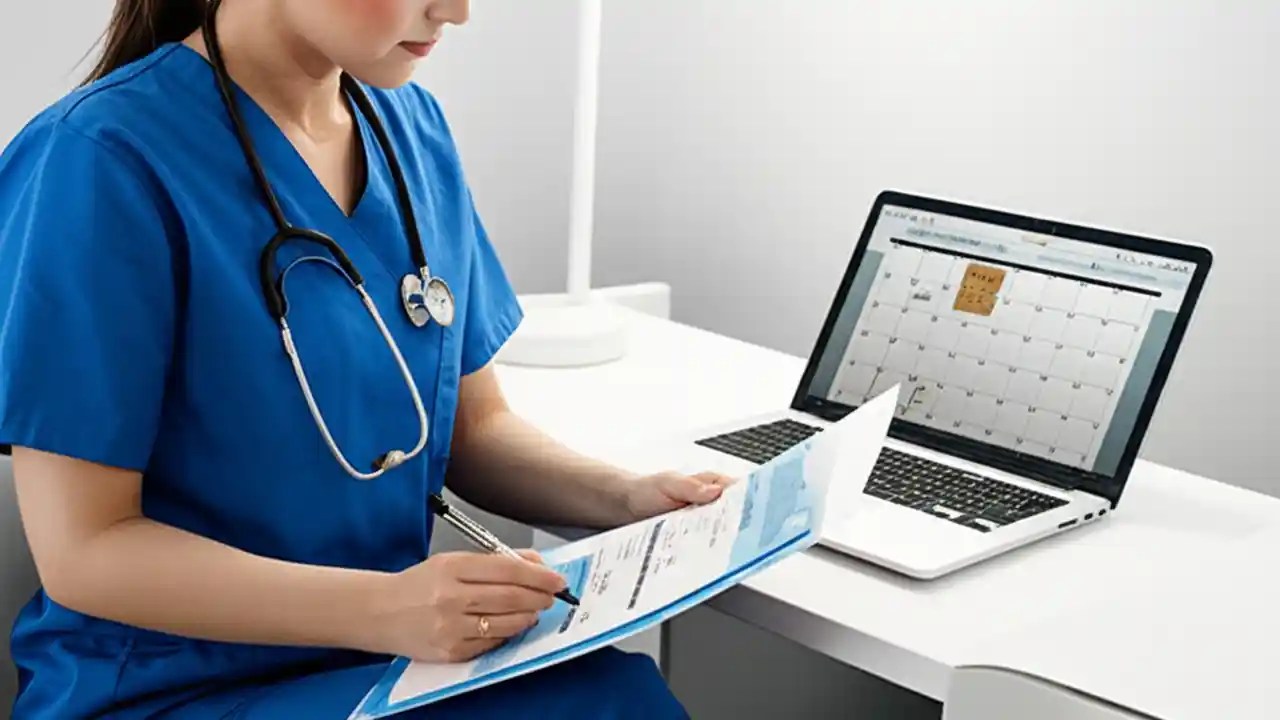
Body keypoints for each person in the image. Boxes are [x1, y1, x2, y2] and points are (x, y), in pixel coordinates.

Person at [0, 0, 731, 717]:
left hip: (380, 666)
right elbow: (86, 552)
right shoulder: (98, 160)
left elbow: (475, 434)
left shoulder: (411, 130)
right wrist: (386, 608)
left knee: (615, 694)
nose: (456, 12)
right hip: (169, 687)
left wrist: (627, 498)